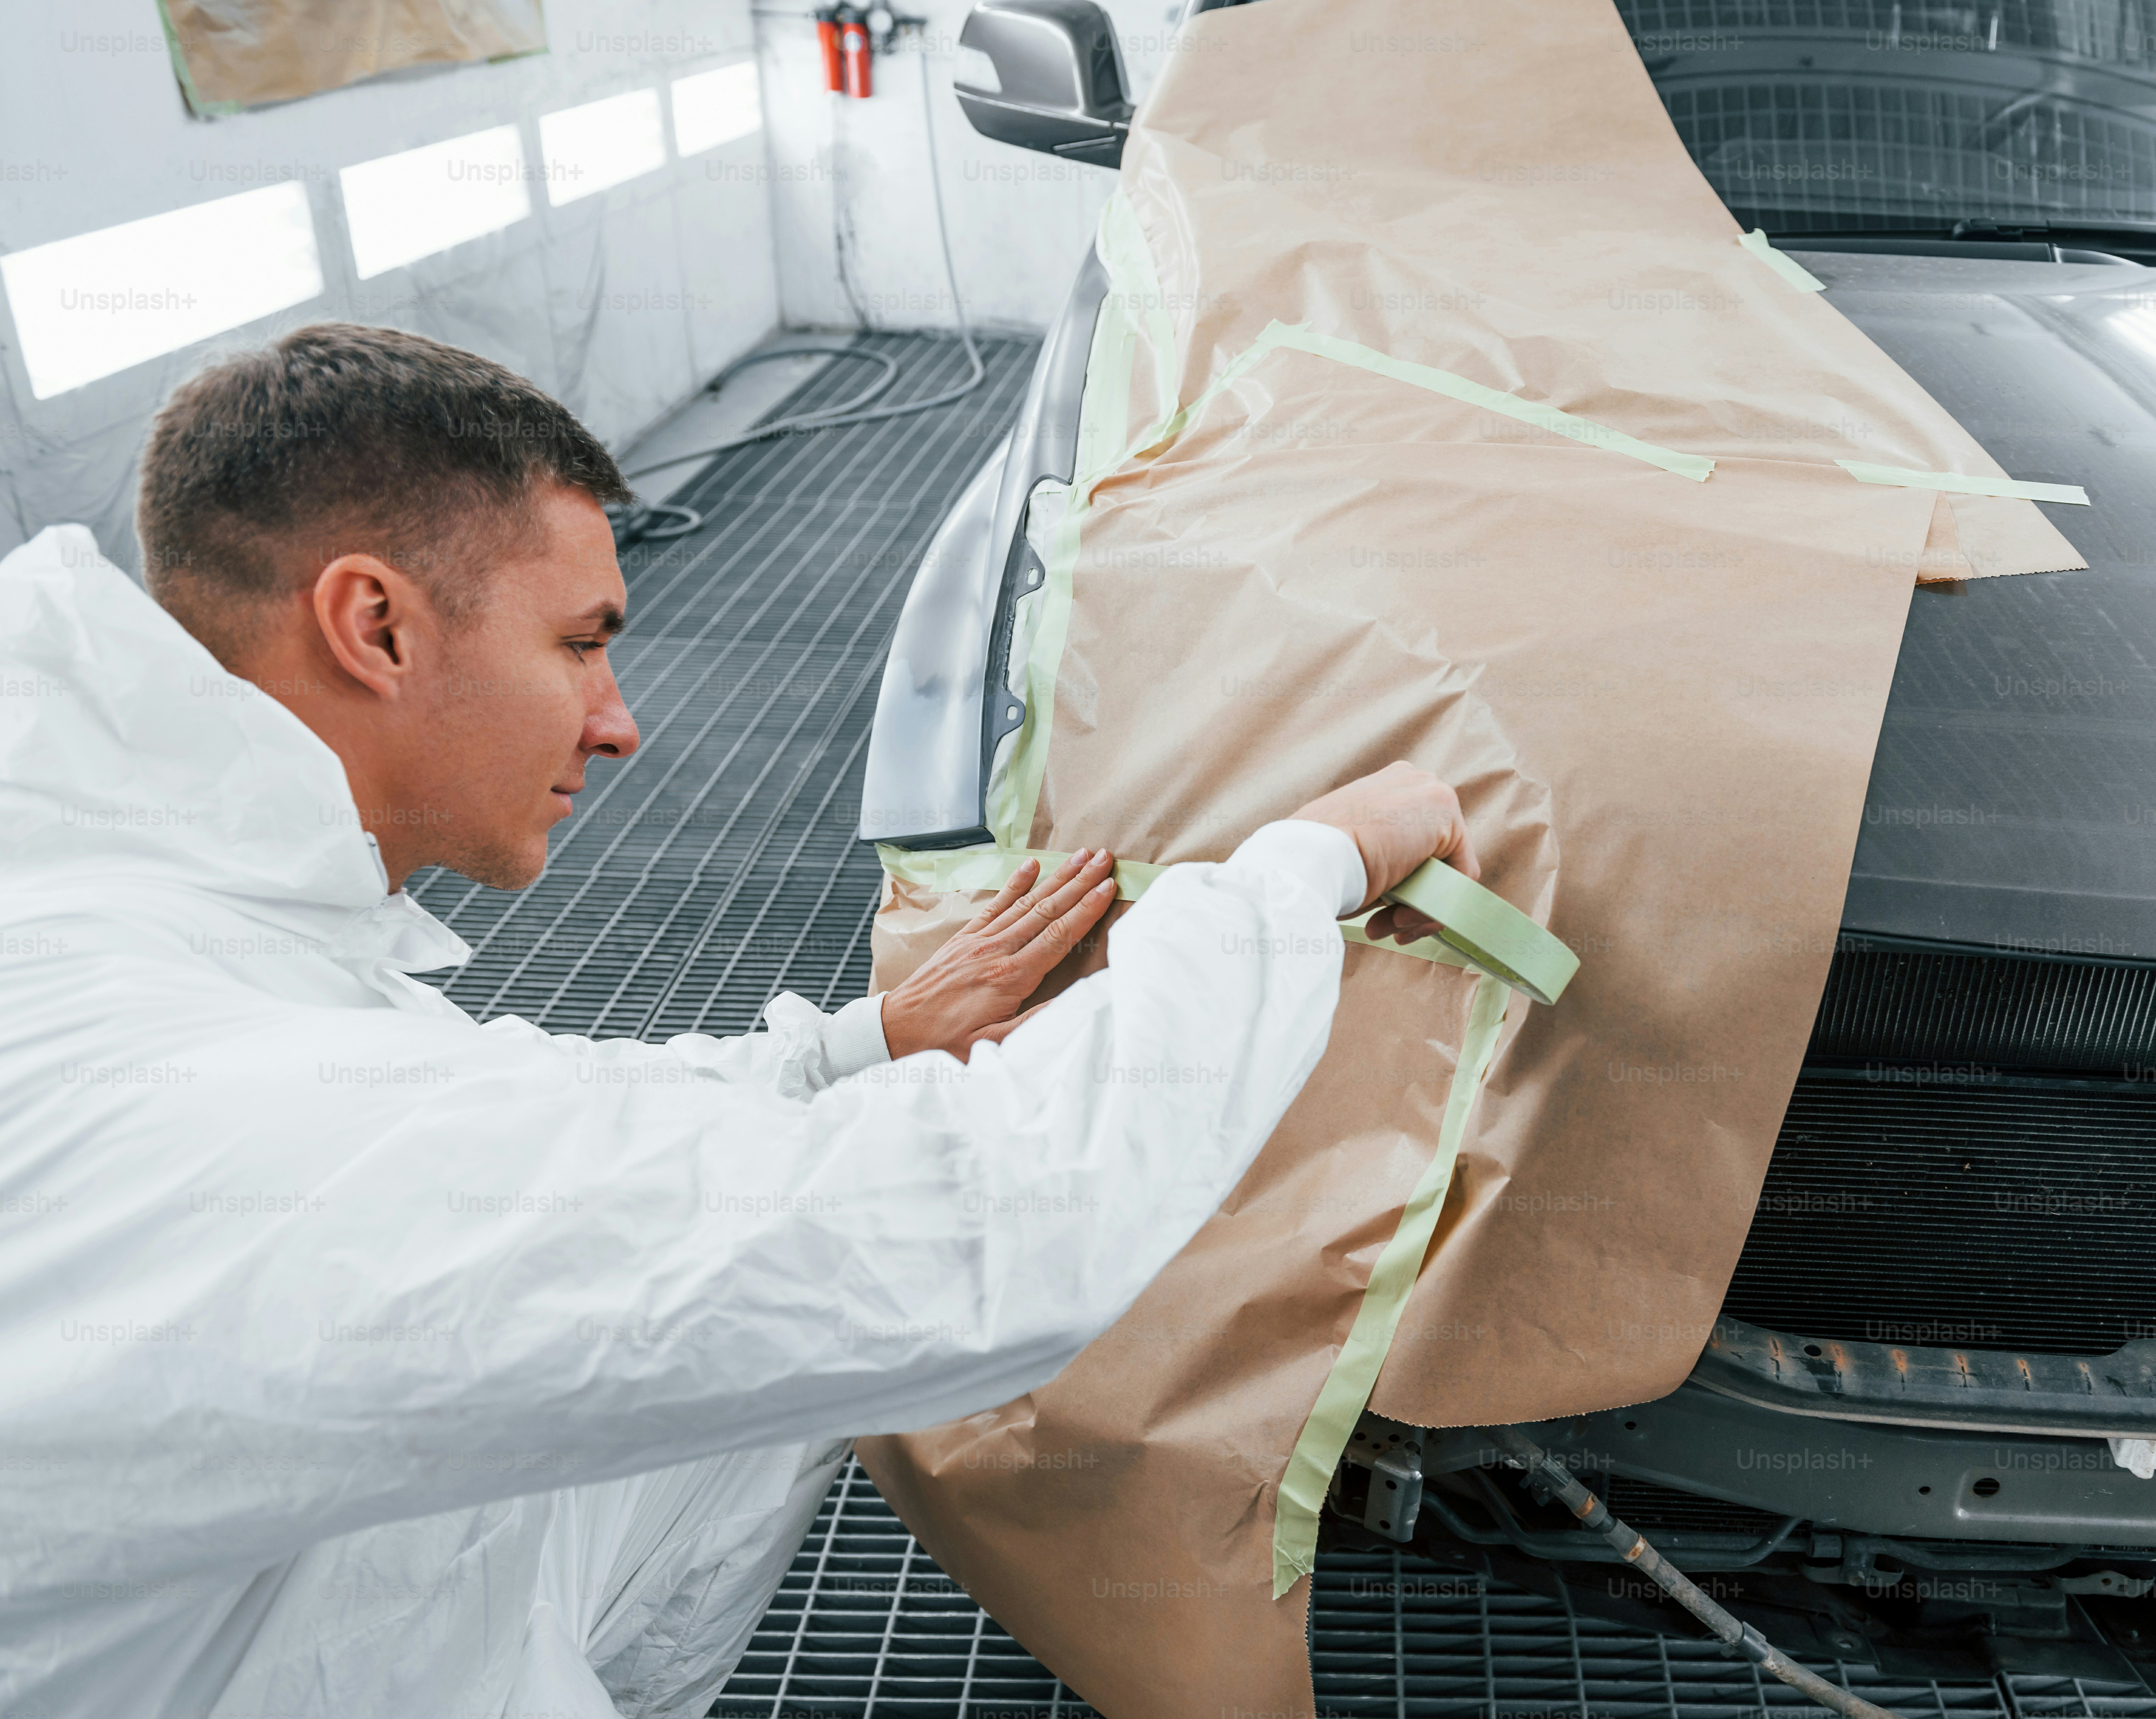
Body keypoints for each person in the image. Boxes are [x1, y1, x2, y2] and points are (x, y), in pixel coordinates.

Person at [0, 324, 1478, 1717]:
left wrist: (860, 1049)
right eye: (580, 641)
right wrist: (1304, 867)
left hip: (208, 1592)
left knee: (728, 1359)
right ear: (375, 623)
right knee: (788, 1304)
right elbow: (986, 1229)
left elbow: (524, 1131)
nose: (619, 717)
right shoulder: (192, 1109)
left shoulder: (119, 892)